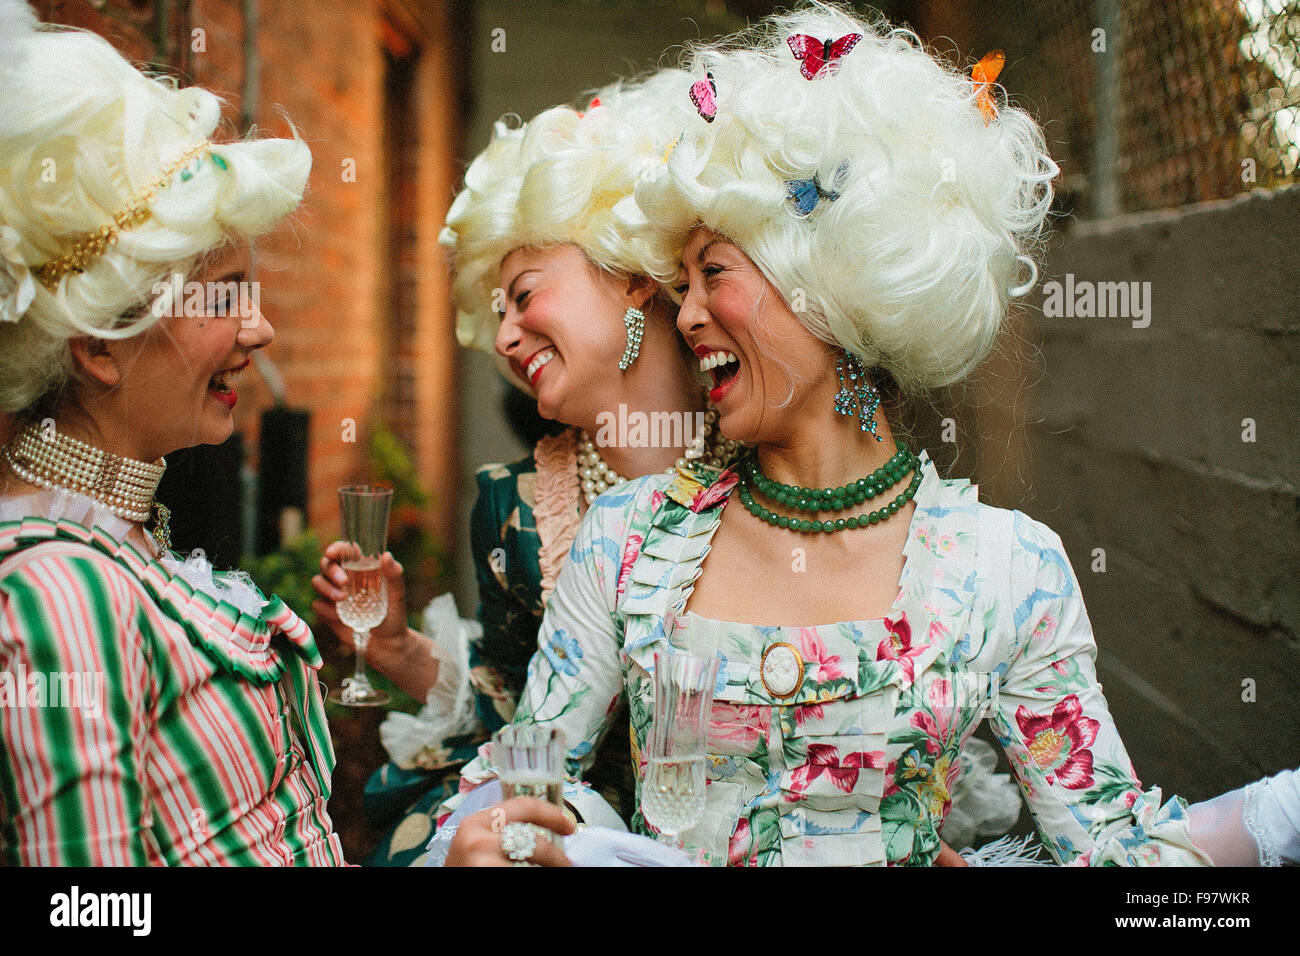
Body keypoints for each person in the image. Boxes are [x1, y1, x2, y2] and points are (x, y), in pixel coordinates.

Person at [439, 2, 1266, 867]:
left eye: (711, 273)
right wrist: (509, 835)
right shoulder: (630, 541)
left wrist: (1280, 818)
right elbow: (530, 773)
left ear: (829, 287)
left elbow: (1119, 856)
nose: (683, 314)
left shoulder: (1006, 569)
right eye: (677, 281)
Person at [310, 70, 741, 865]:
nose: (506, 337)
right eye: (497, 311)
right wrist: (400, 646)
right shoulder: (512, 508)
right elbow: (513, 718)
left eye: (525, 294)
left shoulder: (763, 452)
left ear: (634, 273)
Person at [0, 3, 344, 865]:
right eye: (224, 295)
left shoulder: (112, 532)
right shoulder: (60, 590)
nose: (259, 330)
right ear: (98, 347)